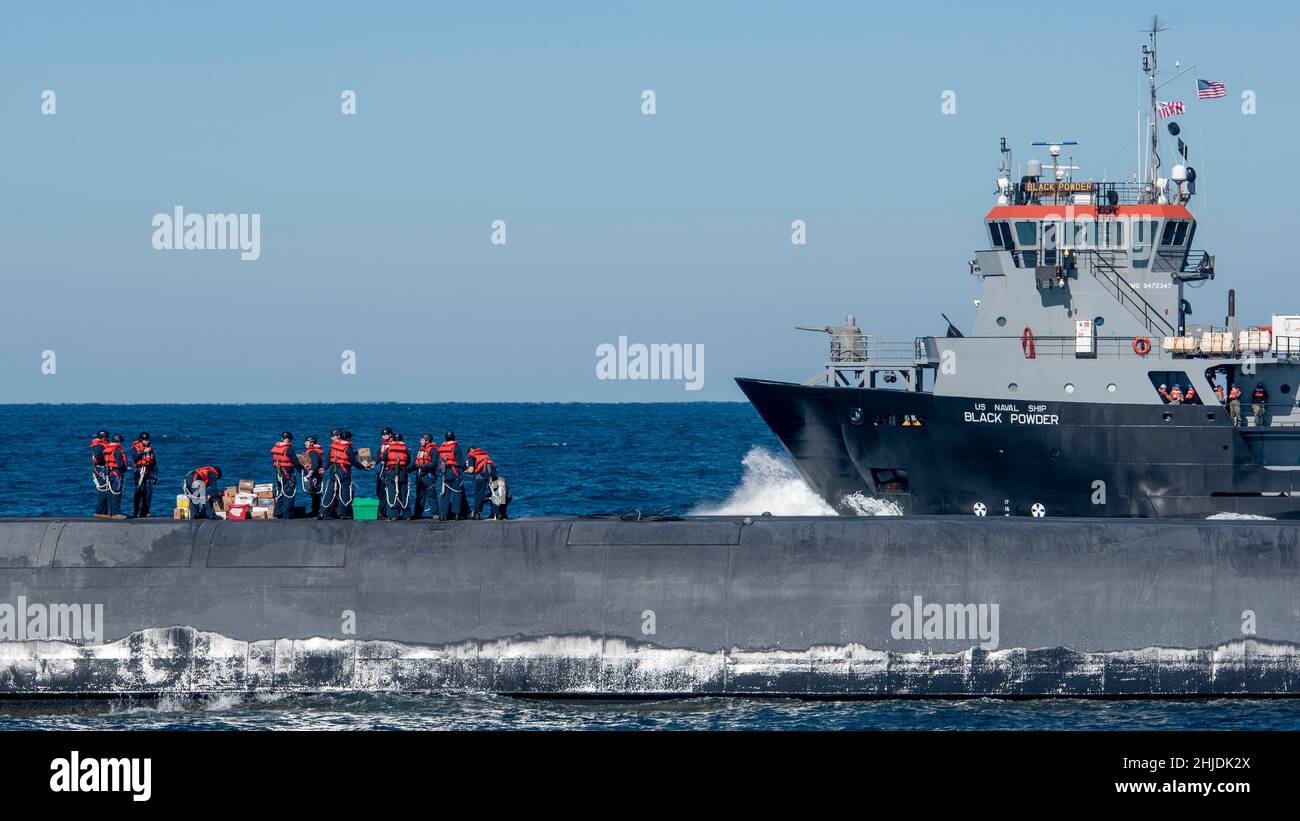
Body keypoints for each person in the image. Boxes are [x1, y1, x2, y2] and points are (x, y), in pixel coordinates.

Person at [321, 429, 370, 519]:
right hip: (343, 473)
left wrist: (324, 468)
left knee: (330, 492)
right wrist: (363, 467)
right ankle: (342, 513)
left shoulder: (333, 447)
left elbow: (328, 460)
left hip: (333, 472)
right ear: (348, 439)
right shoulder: (348, 448)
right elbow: (354, 461)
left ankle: (323, 512)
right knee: (344, 492)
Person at [270, 432, 301, 519]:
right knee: (288, 494)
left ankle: (277, 512)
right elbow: (296, 463)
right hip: (288, 475)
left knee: (280, 493)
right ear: (289, 440)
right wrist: (304, 472)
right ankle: (287, 514)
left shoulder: (275, 448)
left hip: (279, 475)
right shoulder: (289, 450)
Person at [98, 434, 130, 519]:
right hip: (117, 473)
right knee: (117, 493)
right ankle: (116, 513)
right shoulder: (117, 451)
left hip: (109, 473)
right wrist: (126, 468)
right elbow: (120, 464)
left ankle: (112, 512)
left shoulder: (108, 449)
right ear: (118, 442)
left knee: (111, 493)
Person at [437, 430, 466, 520]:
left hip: (444, 473)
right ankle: (456, 514)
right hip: (454, 472)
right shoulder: (456, 448)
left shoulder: (442, 448)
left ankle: (443, 514)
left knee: (444, 493)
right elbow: (461, 462)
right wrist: (465, 467)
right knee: (456, 493)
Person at [382, 432, 411, 520]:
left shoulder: (389, 448)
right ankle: (406, 514)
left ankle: (393, 514)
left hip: (391, 472)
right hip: (402, 472)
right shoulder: (405, 448)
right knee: (403, 492)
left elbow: (384, 459)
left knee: (391, 493)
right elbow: (408, 461)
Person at [410, 433, 439, 519]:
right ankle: (417, 513)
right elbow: (416, 463)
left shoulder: (433, 450)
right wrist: (409, 469)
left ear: (427, 441)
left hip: (428, 476)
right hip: (420, 476)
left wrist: (423, 466)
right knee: (419, 495)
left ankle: (435, 514)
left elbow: (434, 464)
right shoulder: (421, 450)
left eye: (422, 440)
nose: (420, 441)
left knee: (432, 495)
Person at [465, 445, 497, 520]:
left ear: (469, 452)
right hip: (493, 474)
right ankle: (496, 513)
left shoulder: (472, 456)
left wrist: (464, 471)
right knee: (495, 493)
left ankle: (477, 513)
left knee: (478, 494)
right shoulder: (484, 454)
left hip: (481, 475)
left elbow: (471, 470)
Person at [131, 432, 158, 518]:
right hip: (139, 472)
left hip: (148, 471)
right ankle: (136, 511)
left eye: (148, 440)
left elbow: (154, 462)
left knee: (148, 492)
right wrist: (143, 452)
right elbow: (135, 458)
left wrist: (155, 474)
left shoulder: (150, 449)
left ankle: (145, 511)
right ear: (141, 440)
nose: (147, 441)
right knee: (139, 492)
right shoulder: (135, 448)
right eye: (145, 440)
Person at [301, 435, 325, 517]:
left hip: (315, 476)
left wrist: (309, 473)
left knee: (316, 493)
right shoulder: (311, 451)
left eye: (306, 441)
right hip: (315, 475)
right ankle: (315, 510)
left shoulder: (313, 452)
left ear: (311, 443)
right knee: (314, 494)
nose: (305, 443)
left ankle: (317, 511)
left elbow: (315, 464)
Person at [90, 430, 111, 516]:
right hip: (101, 469)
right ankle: (99, 512)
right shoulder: (99, 446)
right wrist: (107, 452)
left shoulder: (103, 445)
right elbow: (98, 456)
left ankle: (104, 512)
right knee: (103, 491)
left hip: (103, 469)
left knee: (106, 492)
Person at [375, 428, 394, 519]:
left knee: (386, 491)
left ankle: (386, 511)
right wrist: (374, 462)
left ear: (390, 435)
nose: (383, 436)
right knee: (380, 490)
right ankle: (383, 510)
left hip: (388, 470)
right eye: (382, 435)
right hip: (381, 470)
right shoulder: (383, 445)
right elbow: (380, 456)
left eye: (385, 435)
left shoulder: (392, 445)